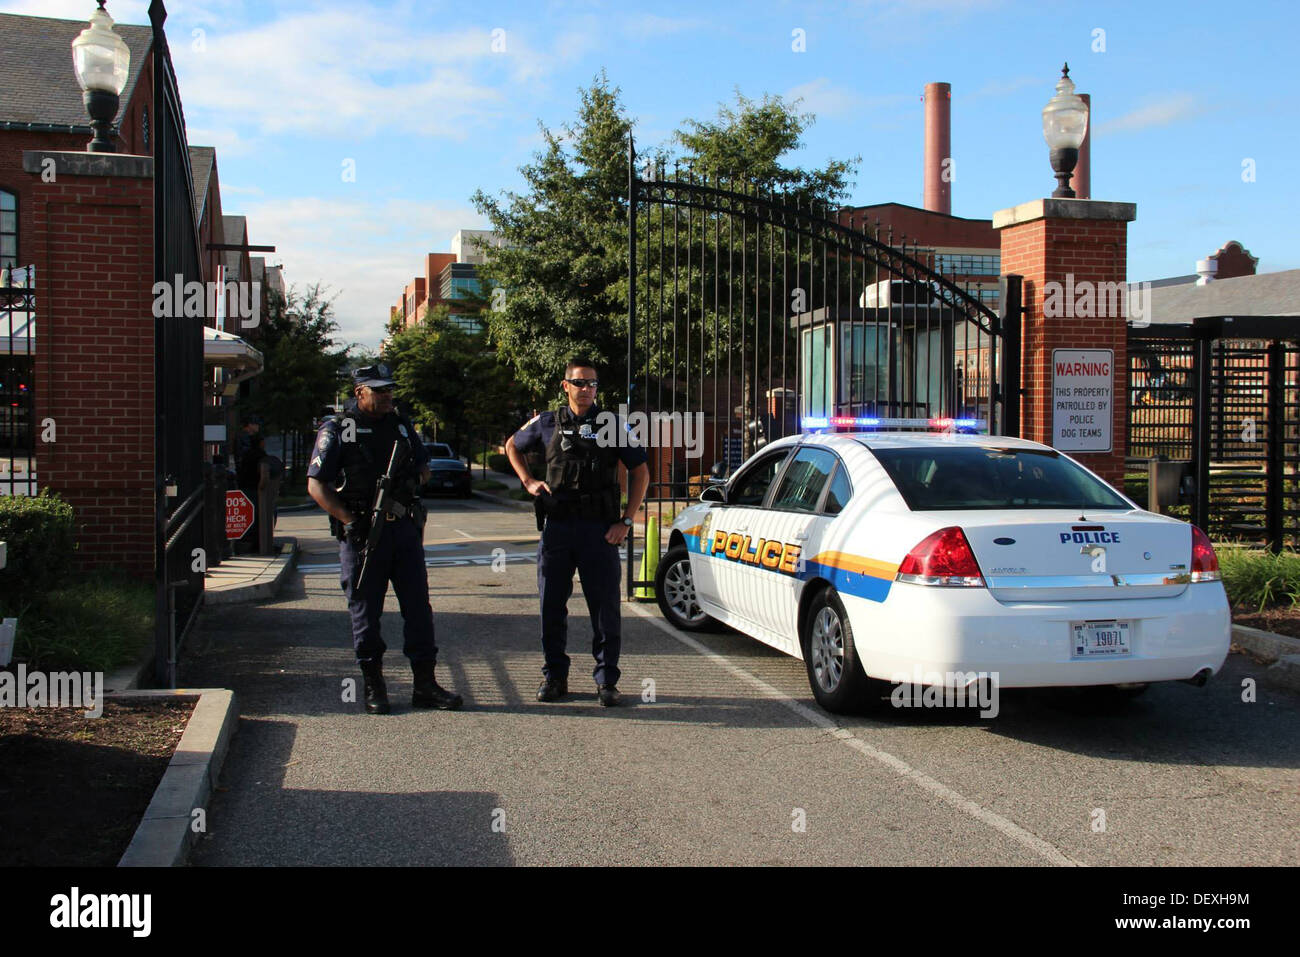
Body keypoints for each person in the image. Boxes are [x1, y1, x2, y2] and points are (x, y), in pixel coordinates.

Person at [307, 363, 463, 715]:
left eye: (389, 388)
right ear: (359, 392)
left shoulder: (401, 425)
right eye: (379, 390)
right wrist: (349, 520)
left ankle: (425, 684)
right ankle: (374, 684)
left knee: (419, 610)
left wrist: (411, 481)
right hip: (362, 533)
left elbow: (425, 467)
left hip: (403, 531)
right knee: (365, 611)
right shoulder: (339, 428)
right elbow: (317, 485)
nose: (387, 395)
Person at [505, 357, 650, 707]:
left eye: (592, 384)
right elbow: (512, 445)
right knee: (551, 606)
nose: (586, 390)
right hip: (557, 528)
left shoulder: (613, 425)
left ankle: (606, 681)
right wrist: (528, 481)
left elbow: (641, 472)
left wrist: (626, 521)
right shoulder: (547, 422)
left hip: (599, 530)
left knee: (605, 609)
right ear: (565, 385)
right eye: (579, 383)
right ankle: (555, 677)